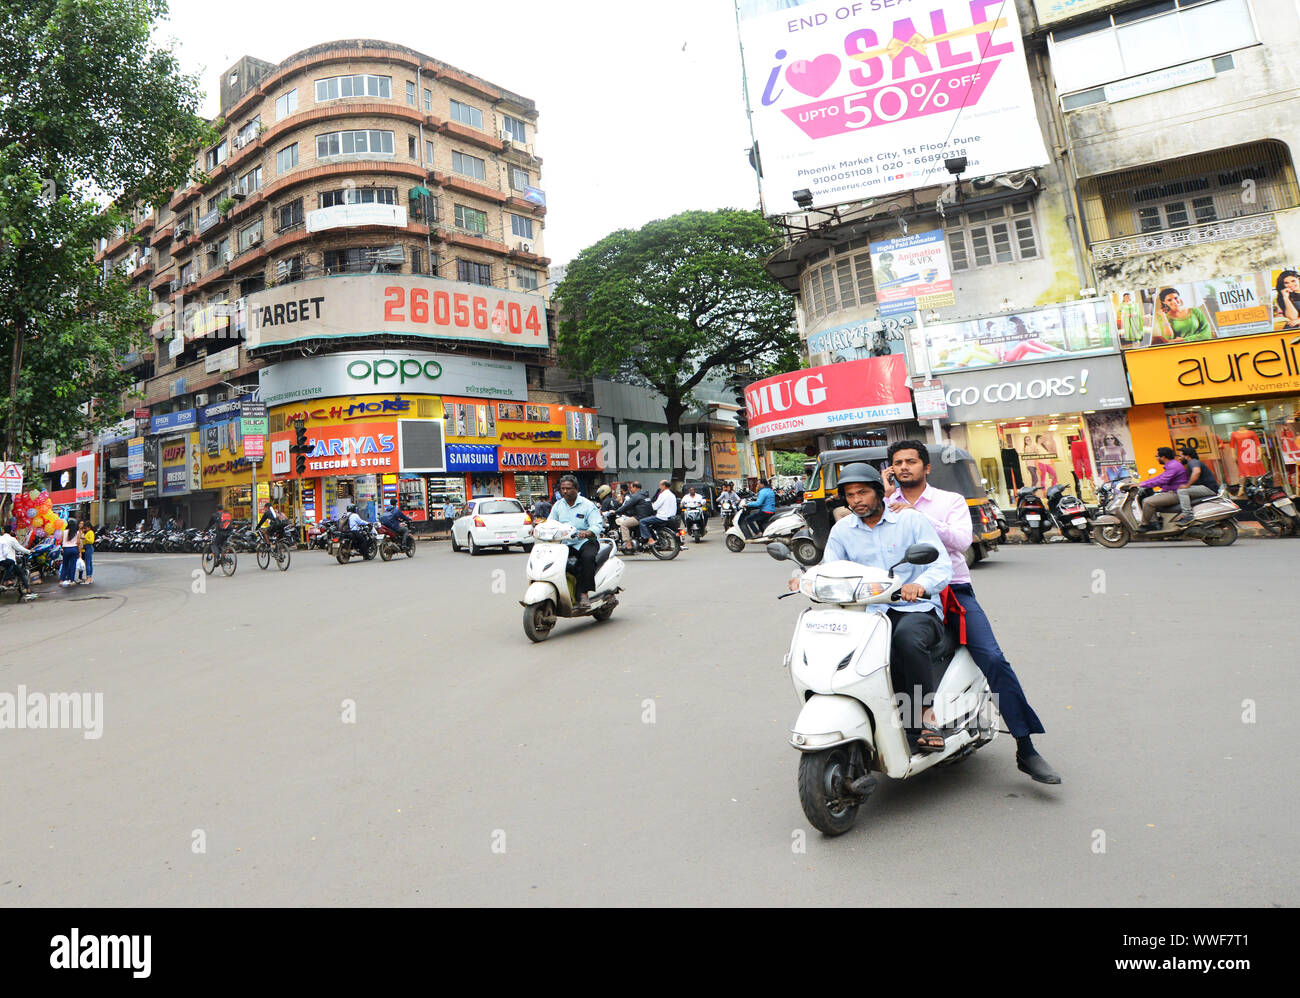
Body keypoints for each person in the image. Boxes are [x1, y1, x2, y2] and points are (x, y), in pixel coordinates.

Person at [885, 440, 1061, 783]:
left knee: (992, 658)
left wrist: (916, 516)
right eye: (898, 463)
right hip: (901, 596)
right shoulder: (886, 505)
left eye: (911, 461)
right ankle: (909, 730)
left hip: (952, 592)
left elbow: (962, 542)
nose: (904, 467)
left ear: (926, 468)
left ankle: (1025, 748)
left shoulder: (948, 502)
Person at [810, 463, 953, 752]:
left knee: (906, 640)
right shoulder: (842, 530)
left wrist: (920, 585)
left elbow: (940, 564)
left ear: (879, 492)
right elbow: (830, 567)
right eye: (849, 495)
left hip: (914, 608)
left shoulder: (910, 521)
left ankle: (926, 718)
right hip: (865, 613)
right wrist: (805, 578)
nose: (856, 500)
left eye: (862, 492)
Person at [547, 474, 604, 608]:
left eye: (568, 488)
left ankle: (584, 593)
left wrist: (588, 532)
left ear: (576, 489)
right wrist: (538, 528)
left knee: (587, 558)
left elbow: (597, 524)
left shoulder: (587, 505)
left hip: (585, 541)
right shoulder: (558, 505)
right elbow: (551, 522)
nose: (565, 491)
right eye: (562, 489)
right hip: (564, 543)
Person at [1131, 447, 1190, 531]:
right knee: (1151, 499)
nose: (1156, 458)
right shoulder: (1171, 465)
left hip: (1175, 493)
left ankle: (1145, 525)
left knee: (1147, 502)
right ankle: (1155, 523)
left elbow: (1163, 480)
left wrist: (1142, 484)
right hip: (1170, 491)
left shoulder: (1173, 466)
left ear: (1163, 457)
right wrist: (1142, 483)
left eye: (1157, 456)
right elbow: (1159, 477)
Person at [1174, 444, 1220, 525]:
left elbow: (1197, 472)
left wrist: (1187, 485)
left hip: (1208, 488)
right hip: (1205, 487)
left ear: (1187, 456)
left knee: (1182, 491)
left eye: (1180, 456)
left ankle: (1188, 514)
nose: (1179, 458)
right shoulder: (1191, 463)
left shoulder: (1193, 462)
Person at [0, 525, 39, 600]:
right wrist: (29, 551)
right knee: (21, 573)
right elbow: (19, 548)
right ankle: (28, 589)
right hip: (8, 560)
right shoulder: (11, 539)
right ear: (11, 531)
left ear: (3, 531)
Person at [614, 481, 653, 547]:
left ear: (635, 488)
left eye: (631, 488)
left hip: (640, 517)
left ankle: (628, 544)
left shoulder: (636, 496)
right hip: (649, 516)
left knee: (624, 524)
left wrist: (617, 511)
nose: (630, 490)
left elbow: (627, 505)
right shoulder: (645, 495)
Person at [58, 519, 82, 587]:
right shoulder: (77, 532)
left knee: (65, 565)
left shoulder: (64, 531)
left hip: (66, 549)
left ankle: (61, 581)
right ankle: (71, 581)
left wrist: (62, 547)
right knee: (72, 566)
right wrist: (79, 552)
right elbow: (78, 543)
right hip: (74, 549)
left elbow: (60, 541)